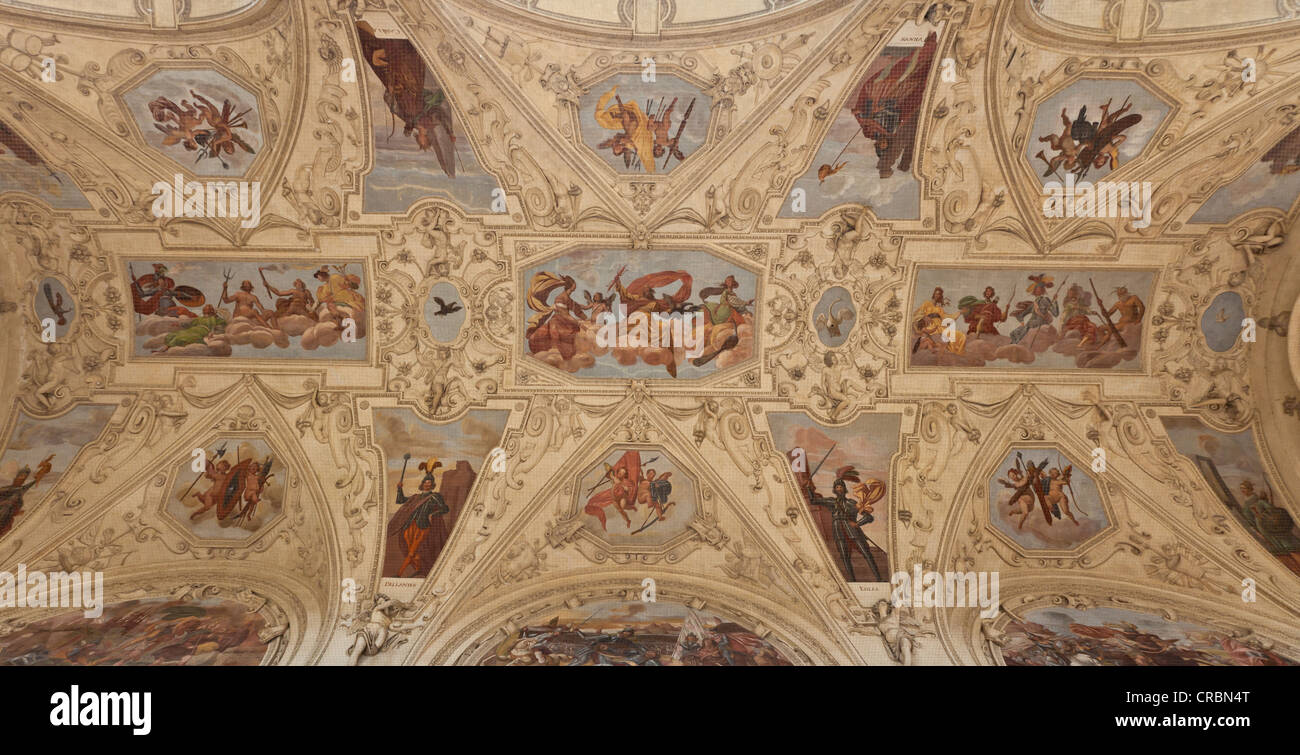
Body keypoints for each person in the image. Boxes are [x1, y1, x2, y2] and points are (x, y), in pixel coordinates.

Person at [384, 459, 451, 578]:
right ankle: (421, 568)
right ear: (422, 483)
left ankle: (399, 574)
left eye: (430, 482)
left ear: (432, 484)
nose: (427, 484)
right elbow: (401, 501)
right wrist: (399, 489)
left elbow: (445, 508)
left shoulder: (434, 497)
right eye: (426, 482)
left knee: (412, 551)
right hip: (411, 524)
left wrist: (432, 514)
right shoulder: (416, 497)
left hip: (423, 526)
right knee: (410, 548)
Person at [0, 455, 53, 538]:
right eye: (20, 476)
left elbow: (32, 483)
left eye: (23, 477)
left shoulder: (20, 491)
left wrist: (43, 472)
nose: (21, 479)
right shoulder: (5, 489)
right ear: (16, 477)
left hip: (6, 513)